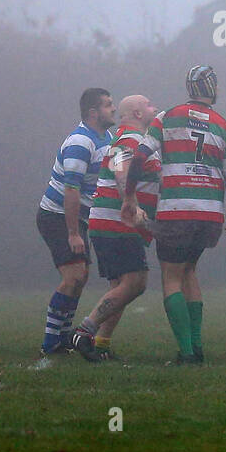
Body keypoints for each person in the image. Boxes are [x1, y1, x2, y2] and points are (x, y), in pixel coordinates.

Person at [122, 65, 226, 365]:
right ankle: (198, 346)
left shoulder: (167, 118)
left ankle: (187, 352)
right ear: (213, 89)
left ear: (189, 87)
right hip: (210, 214)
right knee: (190, 270)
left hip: (177, 211)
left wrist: (129, 196)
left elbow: (139, 157)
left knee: (172, 276)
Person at [72, 94, 161, 362]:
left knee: (120, 287)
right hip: (116, 223)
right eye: (149, 105)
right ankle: (84, 332)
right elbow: (121, 170)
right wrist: (129, 202)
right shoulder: (128, 139)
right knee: (136, 282)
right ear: (136, 113)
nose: (154, 108)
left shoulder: (138, 139)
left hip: (114, 223)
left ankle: (100, 344)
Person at [36, 88, 115, 355]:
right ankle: (51, 343)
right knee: (74, 276)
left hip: (76, 217)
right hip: (57, 216)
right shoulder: (81, 142)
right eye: (108, 105)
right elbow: (71, 190)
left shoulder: (108, 137)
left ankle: (62, 338)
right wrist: (73, 233)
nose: (113, 109)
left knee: (81, 277)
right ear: (93, 113)